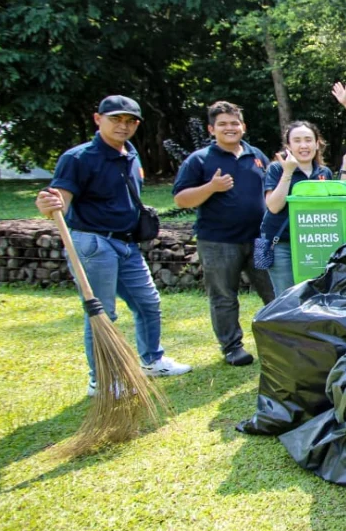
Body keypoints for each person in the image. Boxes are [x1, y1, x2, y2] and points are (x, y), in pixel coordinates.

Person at [35, 95, 191, 395]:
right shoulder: (78, 158)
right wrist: (46, 203)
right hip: (93, 244)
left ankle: (152, 360)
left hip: (128, 244)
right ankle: (102, 381)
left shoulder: (131, 154)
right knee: (102, 313)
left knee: (148, 303)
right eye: (115, 119)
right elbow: (59, 202)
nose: (123, 126)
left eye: (129, 121)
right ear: (98, 119)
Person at [172, 101, 276, 366]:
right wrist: (211, 187)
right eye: (223, 124)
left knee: (273, 292)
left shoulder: (257, 156)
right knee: (224, 296)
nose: (230, 128)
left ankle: (278, 341)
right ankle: (232, 347)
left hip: (259, 240)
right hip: (219, 242)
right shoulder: (199, 160)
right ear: (211, 129)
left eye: (234, 123)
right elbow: (181, 199)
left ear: (243, 126)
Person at [262, 121, 333, 295]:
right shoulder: (276, 169)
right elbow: (273, 207)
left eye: (308, 140)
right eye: (297, 140)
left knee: (315, 295)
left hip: (314, 244)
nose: (303, 145)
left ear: (317, 144)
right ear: (288, 146)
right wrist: (288, 172)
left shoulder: (324, 173)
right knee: (287, 297)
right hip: (280, 243)